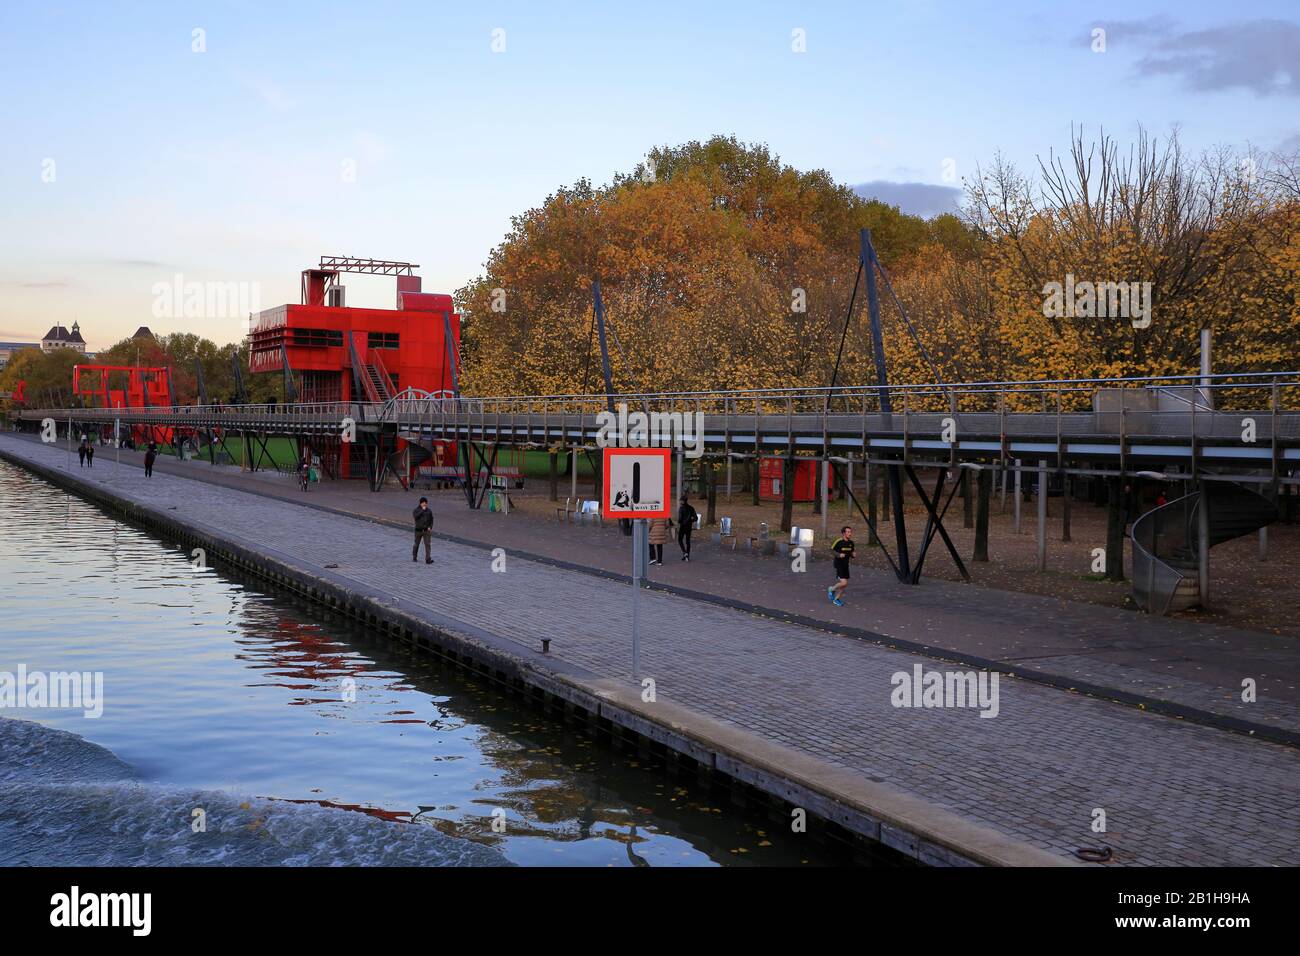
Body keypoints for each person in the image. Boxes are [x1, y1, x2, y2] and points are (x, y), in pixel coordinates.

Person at [828, 525, 854, 607]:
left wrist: (853, 555)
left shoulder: (851, 543)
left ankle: (837, 599)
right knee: (844, 582)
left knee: (845, 584)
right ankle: (831, 589)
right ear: (843, 533)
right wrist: (839, 555)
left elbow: (851, 553)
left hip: (846, 565)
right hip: (838, 564)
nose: (850, 533)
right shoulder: (838, 541)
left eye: (850, 532)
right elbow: (831, 550)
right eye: (848, 532)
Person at [412, 496, 434, 564]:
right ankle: (414, 556)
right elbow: (416, 517)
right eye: (423, 503)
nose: (425, 504)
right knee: (416, 544)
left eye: (426, 503)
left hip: (426, 531)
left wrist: (430, 527)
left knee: (427, 544)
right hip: (418, 530)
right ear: (420, 503)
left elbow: (431, 519)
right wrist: (422, 510)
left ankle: (428, 559)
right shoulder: (416, 510)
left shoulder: (429, 511)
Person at [676, 495, 697, 562]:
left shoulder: (681, 508)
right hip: (689, 527)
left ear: (683, 501)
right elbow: (696, 518)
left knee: (679, 539)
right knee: (688, 541)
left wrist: (679, 522)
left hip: (683, 526)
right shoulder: (691, 508)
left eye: (681, 500)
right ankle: (687, 555)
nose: (680, 501)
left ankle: (684, 552)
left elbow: (680, 519)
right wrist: (691, 520)